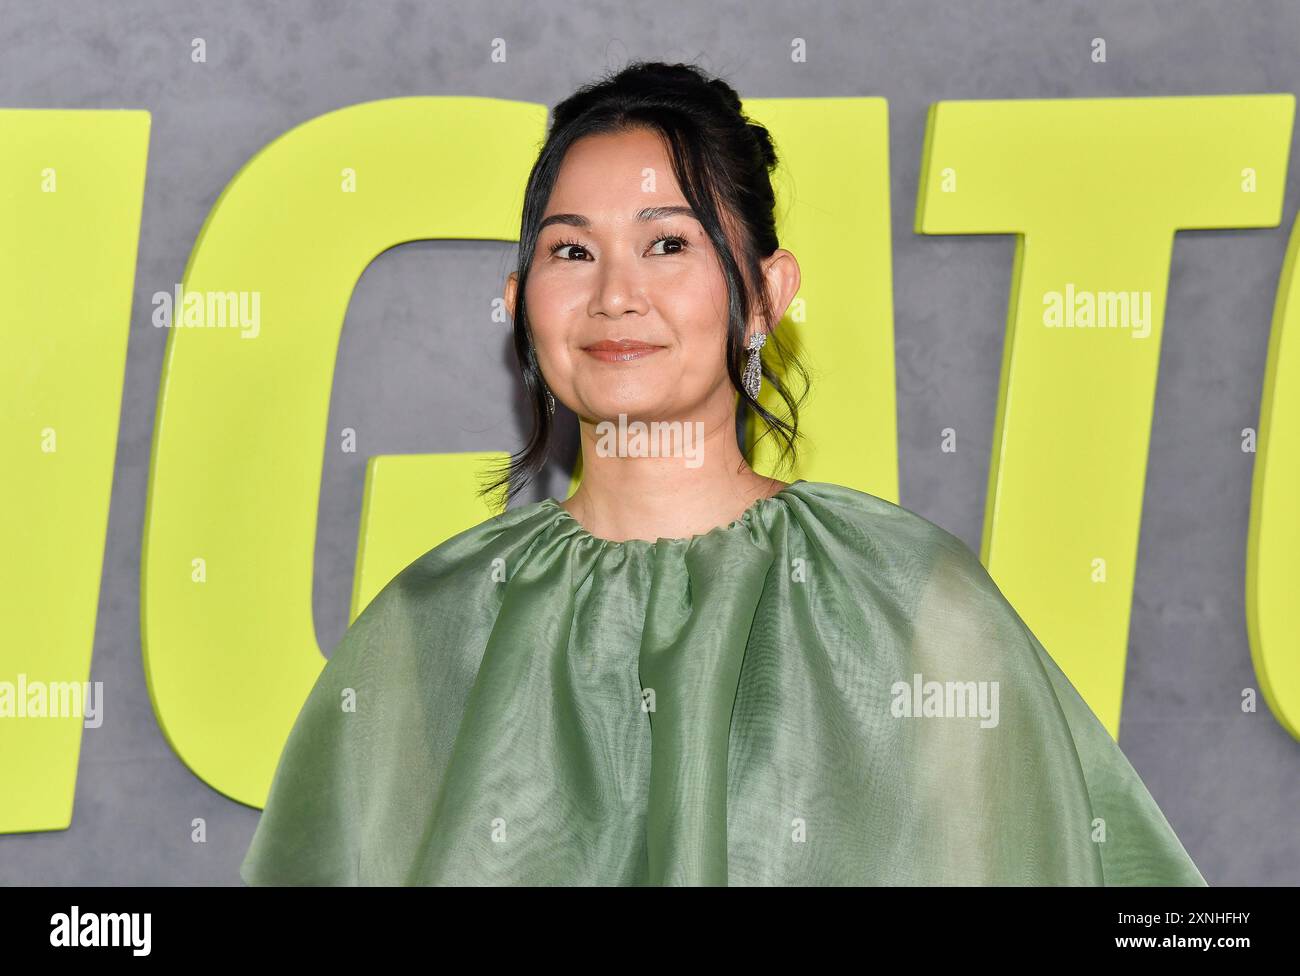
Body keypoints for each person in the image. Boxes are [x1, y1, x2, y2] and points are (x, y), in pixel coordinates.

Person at [240, 61, 1206, 886]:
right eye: (572, 250)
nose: (617, 294)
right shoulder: (431, 622)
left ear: (765, 295)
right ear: (519, 302)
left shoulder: (905, 596)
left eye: (670, 243)